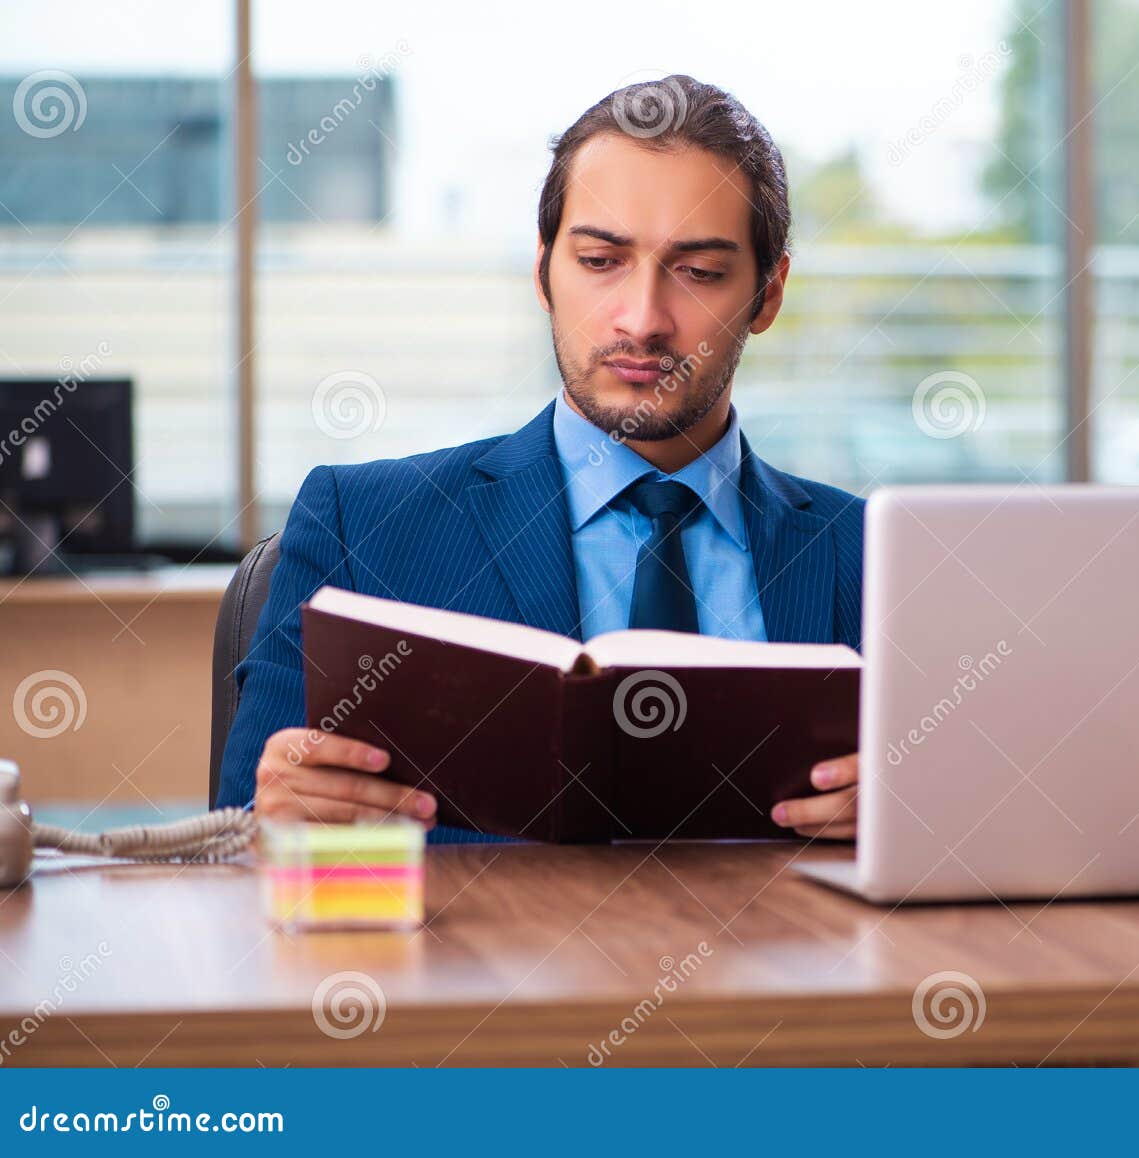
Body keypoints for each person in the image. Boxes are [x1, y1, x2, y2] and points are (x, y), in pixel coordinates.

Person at [217, 75, 862, 843]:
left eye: (698, 272)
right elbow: (229, 852)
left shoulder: (878, 557)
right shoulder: (366, 528)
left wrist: (930, 818)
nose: (643, 319)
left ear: (768, 294)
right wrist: (272, 819)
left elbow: (1004, 844)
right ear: (543, 271)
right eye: (600, 261)